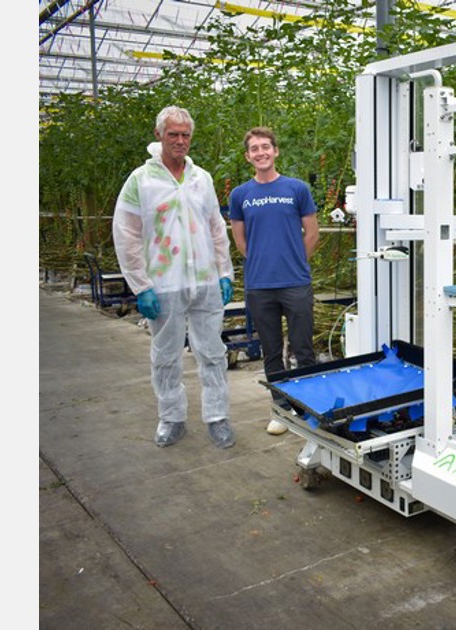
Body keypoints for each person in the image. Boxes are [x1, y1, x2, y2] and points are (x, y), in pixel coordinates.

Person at [113, 105, 237, 448]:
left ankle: (217, 416)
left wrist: (224, 272)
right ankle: (171, 418)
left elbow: (215, 227)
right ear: (159, 135)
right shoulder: (142, 180)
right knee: (166, 355)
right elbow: (126, 233)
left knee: (212, 351)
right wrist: (141, 285)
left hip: (205, 281)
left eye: (185, 135)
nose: (180, 141)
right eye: (173, 134)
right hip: (163, 283)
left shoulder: (202, 178)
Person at [228, 127, 320, 435]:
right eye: (254, 149)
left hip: (295, 282)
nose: (261, 152)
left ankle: (309, 410)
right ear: (248, 157)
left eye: (265, 147)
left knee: (303, 349)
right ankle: (281, 410)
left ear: (276, 151)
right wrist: (262, 263)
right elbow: (240, 240)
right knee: (271, 351)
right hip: (259, 286)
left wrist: (293, 261)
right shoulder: (240, 195)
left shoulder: (296, 189)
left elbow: (313, 233)